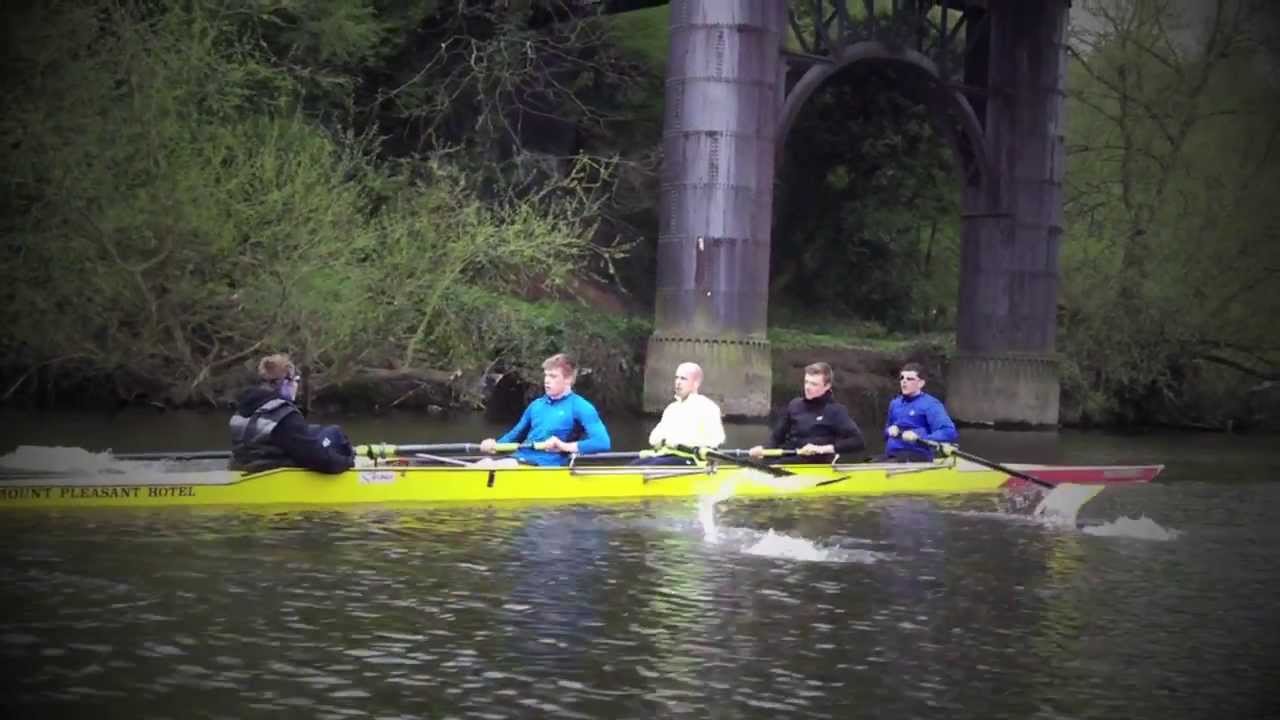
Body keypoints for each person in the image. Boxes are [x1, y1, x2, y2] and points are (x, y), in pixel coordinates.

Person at [478, 353, 611, 466]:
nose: (547, 381)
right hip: (519, 461)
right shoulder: (536, 405)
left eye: (553, 376)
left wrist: (563, 446)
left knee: (488, 467)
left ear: (568, 379)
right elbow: (514, 435)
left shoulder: (581, 407)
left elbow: (602, 442)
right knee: (484, 462)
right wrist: (495, 446)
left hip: (546, 467)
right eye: (546, 375)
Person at [229, 353, 354, 474]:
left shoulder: (243, 408)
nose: (296, 385)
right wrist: (348, 463)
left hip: (247, 462)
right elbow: (318, 459)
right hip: (272, 469)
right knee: (335, 433)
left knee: (316, 431)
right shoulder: (283, 415)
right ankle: (352, 456)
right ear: (285, 381)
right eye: (295, 380)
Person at [748, 362, 865, 464]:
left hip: (814, 463)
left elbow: (857, 442)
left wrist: (822, 449)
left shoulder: (836, 411)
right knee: (762, 462)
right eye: (806, 382)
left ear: (827, 386)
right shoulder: (795, 405)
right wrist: (764, 449)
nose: (807, 387)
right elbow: (776, 437)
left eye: (814, 384)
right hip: (787, 458)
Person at [633, 362, 726, 466]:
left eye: (683, 379)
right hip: (666, 454)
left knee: (651, 466)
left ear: (696, 383)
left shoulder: (708, 408)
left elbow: (715, 441)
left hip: (691, 459)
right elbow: (654, 438)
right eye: (676, 378)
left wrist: (679, 442)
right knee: (633, 466)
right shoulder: (672, 408)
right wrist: (666, 442)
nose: (678, 382)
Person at [883, 362, 958, 462]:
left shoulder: (930, 404)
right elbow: (885, 432)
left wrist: (919, 436)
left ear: (921, 383)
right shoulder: (895, 403)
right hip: (892, 455)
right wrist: (889, 430)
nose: (904, 382)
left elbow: (949, 432)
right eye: (902, 378)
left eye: (909, 379)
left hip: (917, 456)